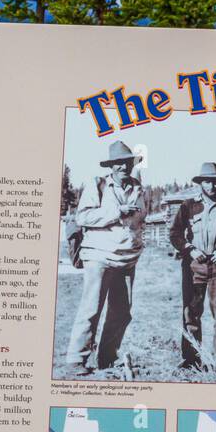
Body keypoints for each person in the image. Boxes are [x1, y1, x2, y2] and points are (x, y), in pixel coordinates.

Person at [64, 140, 145, 373]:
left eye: (127, 162)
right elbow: (84, 218)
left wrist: (138, 240)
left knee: (122, 312)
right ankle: (76, 360)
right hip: (99, 256)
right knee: (91, 308)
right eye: (118, 163)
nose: (123, 167)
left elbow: (140, 220)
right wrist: (116, 212)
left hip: (127, 258)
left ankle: (107, 358)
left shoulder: (138, 188)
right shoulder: (97, 185)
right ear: (111, 166)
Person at [169, 162, 216, 374]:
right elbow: (175, 233)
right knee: (191, 314)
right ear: (200, 183)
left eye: (214, 181)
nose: (211, 185)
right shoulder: (188, 206)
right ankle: (191, 359)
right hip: (194, 267)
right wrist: (190, 250)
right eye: (206, 181)